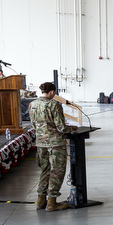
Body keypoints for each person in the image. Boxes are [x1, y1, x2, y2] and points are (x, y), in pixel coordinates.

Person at [29, 82, 77, 211]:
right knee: (56, 172)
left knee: (45, 171)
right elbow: (61, 127)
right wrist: (72, 128)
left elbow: (34, 125)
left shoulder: (32, 104)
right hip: (55, 144)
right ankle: (52, 203)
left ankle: (40, 201)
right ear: (52, 92)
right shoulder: (54, 104)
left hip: (40, 144)